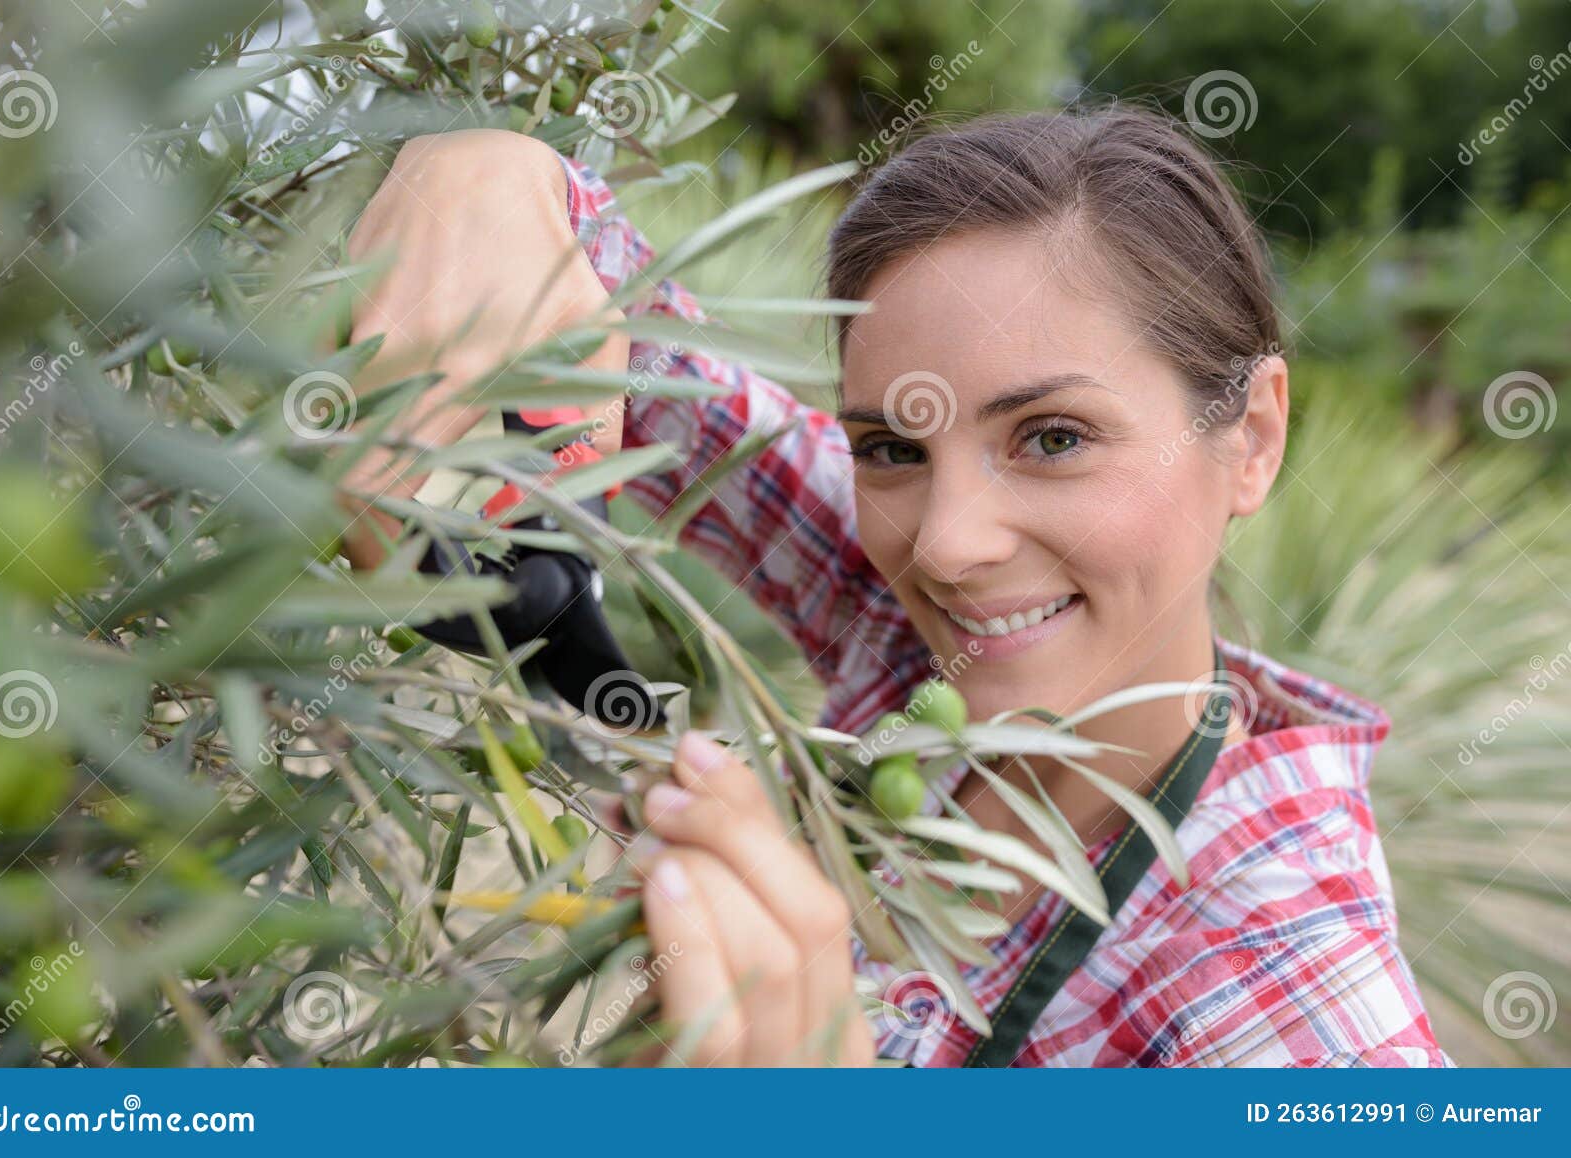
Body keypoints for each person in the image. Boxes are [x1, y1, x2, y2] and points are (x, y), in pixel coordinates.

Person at [334, 106, 1453, 1068]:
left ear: (1249, 439)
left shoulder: (1291, 1000)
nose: (948, 545)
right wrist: (474, 167)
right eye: (890, 448)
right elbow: (611, 314)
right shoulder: (916, 627)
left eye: (1053, 437)